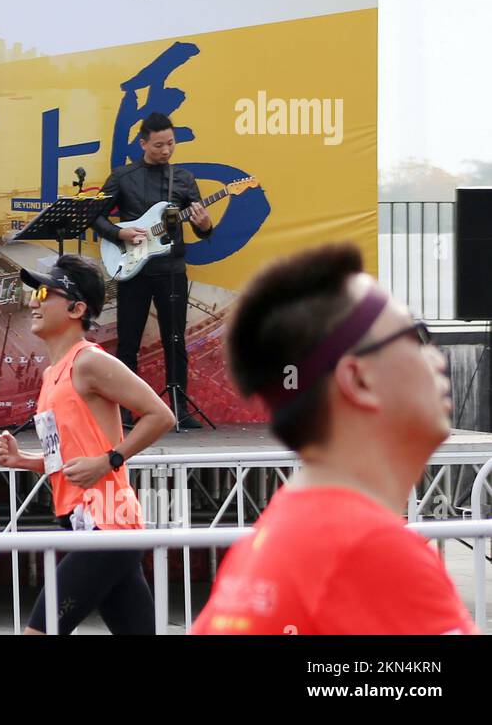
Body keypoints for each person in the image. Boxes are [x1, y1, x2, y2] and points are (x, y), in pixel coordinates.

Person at [192, 243, 474, 634]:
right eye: (415, 335)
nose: (437, 357)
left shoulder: (265, 546)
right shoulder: (369, 550)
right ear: (358, 379)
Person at [0, 254, 174, 634]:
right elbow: (71, 458)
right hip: (91, 524)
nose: (34, 301)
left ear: (76, 308)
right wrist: (25, 460)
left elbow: (161, 416)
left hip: (108, 525)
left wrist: (109, 460)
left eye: (44, 292)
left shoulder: (89, 361)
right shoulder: (53, 371)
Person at [92, 112, 214, 428]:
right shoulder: (123, 176)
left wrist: (204, 224)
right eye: (159, 145)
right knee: (128, 341)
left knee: (175, 339)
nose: (166, 150)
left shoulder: (184, 179)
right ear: (143, 143)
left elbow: (202, 228)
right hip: (133, 269)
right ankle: (126, 411)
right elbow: (95, 217)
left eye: (171, 144)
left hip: (171, 268)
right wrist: (121, 234)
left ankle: (178, 408)